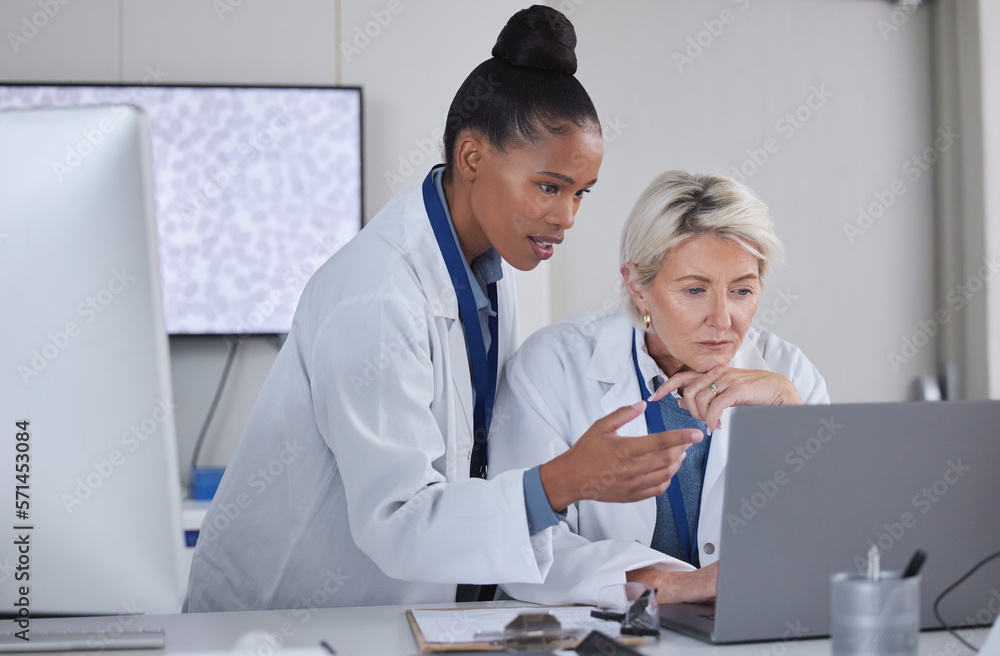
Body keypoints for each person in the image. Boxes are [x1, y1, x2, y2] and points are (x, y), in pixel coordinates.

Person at [186, 7, 700, 612]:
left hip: (401, 613)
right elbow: (398, 517)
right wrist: (569, 479)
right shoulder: (377, 295)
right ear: (473, 158)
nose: (567, 217)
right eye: (549, 186)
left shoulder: (485, 270)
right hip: (280, 619)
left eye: (580, 193)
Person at [489, 170, 830, 607]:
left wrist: (792, 420)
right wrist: (668, 586)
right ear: (638, 287)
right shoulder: (554, 365)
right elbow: (520, 539)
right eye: (694, 290)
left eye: (742, 290)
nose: (723, 319)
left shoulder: (788, 375)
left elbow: (830, 544)